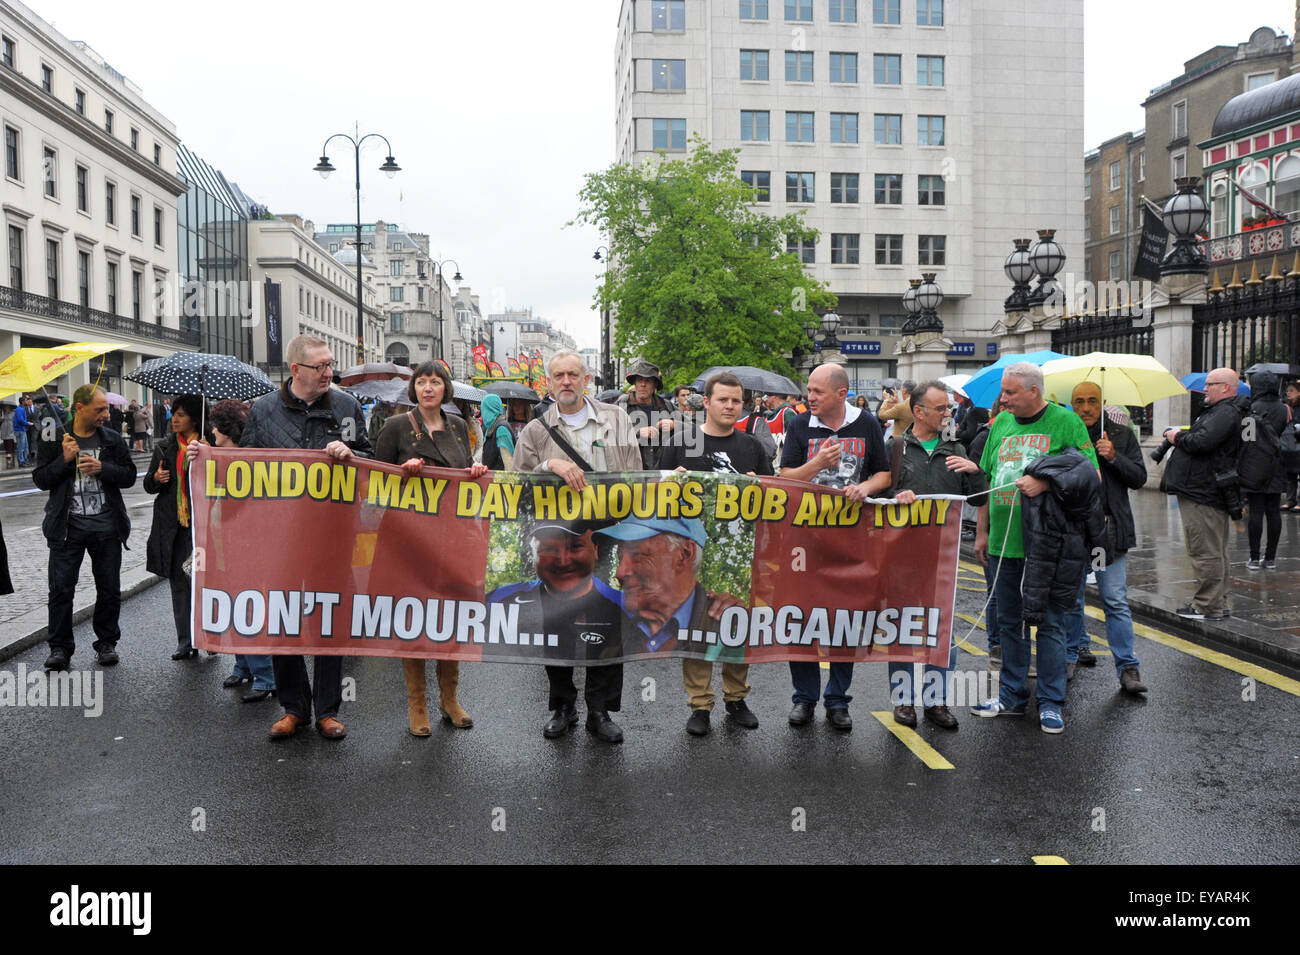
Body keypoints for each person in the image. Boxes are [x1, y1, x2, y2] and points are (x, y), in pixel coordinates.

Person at [241, 334, 372, 741]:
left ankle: (328, 711)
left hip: (332, 534)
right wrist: (203, 459)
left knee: (329, 618)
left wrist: (351, 455)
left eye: (331, 365)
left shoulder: (346, 406)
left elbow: (370, 458)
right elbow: (242, 468)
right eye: (320, 367)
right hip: (281, 538)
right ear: (296, 370)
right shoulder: (263, 410)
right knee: (282, 618)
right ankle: (293, 707)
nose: (329, 373)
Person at [514, 349, 642, 743]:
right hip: (557, 536)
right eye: (558, 376)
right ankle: (562, 706)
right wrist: (548, 465)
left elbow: (635, 472)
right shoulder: (535, 430)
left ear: (586, 380)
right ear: (549, 384)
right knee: (557, 621)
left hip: (608, 532)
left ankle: (600, 710)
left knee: (608, 620)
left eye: (573, 374)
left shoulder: (616, 418)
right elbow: (516, 483)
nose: (566, 381)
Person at [972, 363, 1099, 734]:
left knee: (1051, 624)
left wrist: (1045, 483)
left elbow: (1090, 475)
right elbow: (987, 480)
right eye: (1003, 392)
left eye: (1010, 393)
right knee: (1009, 623)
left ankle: (1051, 701)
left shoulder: (1064, 422)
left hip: (1048, 544)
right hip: (1003, 542)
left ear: (1033, 391)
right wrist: (981, 533)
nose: (1004, 399)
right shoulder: (1000, 425)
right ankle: (1012, 695)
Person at [375, 361, 488, 736]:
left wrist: (474, 471)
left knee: (450, 620)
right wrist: (400, 470)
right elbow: (375, 479)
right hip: (409, 541)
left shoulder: (458, 426)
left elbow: (465, 472)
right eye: (421, 382)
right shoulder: (395, 427)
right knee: (414, 620)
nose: (427, 388)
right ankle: (417, 702)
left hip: (452, 539)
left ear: (445, 389)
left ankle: (450, 699)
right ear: (414, 389)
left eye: (435, 382)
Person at [658, 372, 771, 735]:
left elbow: (772, 496)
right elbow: (652, 494)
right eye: (722, 399)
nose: (729, 406)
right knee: (696, 630)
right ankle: (699, 704)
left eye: (735, 401)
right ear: (705, 402)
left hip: (739, 553)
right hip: (691, 556)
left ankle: (736, 698)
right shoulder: (680, 443)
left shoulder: (753, 446)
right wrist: (667, 481)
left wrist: (760, 486)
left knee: (736, 628)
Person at [780, 362, 890, 730]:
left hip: (852, 539)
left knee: (847, 619)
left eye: (817, 391)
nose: (809, 397)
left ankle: (838, 700)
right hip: (805, 540)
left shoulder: (867, 423)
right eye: (808, 390)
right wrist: (815, 464)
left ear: (840, 394)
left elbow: (883, 473)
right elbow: (784, 478)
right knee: (803, 619)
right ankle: (804, 698)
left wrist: (866, 488)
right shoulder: (798, 425)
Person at [887, 382, 988, 730]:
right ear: (919, 412)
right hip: (901, 556)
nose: (949, 413)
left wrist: (976, 473)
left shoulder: (957, 448)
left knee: (943, 630)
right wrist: (897, 494)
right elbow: (880, 493)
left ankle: (936, 701)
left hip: (943, 558)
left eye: (948, 407)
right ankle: (903, 701)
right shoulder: (896, 447)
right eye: (941, 408)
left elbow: (975, 501)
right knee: (901, 629)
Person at [33, 385, 137, 671]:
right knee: (61, 590)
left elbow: (129, 476)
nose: (106, 414)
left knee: (109, 589)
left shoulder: (112, 439)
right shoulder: (53, 436)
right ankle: (60, 649)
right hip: (67, 528)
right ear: (79, 408)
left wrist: (103, 469)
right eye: (99, 409)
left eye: (106, 408)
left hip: (106, 527)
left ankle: (106, 643)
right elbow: (41, 479)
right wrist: (65, 461)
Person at [185, 400, 277, 702]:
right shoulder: (216, 456)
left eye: (215, 425)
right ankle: (243, 664)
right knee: (230, 601)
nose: (211, 431)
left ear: (227, 428)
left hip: (246, 544)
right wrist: (197, 456)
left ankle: (265, 676)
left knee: (249, 606)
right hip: (221, 540)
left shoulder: (250, 458)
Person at [1065, 382, 1148, 695]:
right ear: (1071, 404)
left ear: (1103, 403)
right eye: (1079, 401)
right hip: (1073, 532)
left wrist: (1113, 457)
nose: (1086, 408)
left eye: (1093, 401)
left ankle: (1128, 667)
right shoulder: (1063, 434)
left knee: (1114, 600)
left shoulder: (1120, 434)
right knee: (1072, 600)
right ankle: (1068, 658)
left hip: (1110, 531)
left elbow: (1139, 478)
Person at [1158, 367, 1252, 619]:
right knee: (1214, 550)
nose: (1205, 389)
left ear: (1226, 388)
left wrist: (1177, 437)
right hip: (1204, 489)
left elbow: (1202, 442)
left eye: (1211, 384)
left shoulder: (1225, 413)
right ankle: (1218, 602)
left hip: (1203, 491)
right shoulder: (1222, 412)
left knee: (1205, 550)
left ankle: (1206, 605)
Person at [144, 394, 210, 662]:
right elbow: (149, 486)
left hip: (202, 526)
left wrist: (210, 455)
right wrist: (157, 479)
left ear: (194, 417)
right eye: (174, 413)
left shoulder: (210, 443)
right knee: (179, 584)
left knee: (204, 582)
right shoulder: (165, 446)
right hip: (174, 526)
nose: (174, 419)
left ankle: (209, 636)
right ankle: (186, 642)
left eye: (181, 414)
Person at [1242, 371, 1287, 569]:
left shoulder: (1251, 409)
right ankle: (1270, 558)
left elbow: (1247, 439)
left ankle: (1253, 557)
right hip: (1278, 464)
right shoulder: (1285, 408)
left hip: (1255, 466)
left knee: (1256, 512)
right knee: (1274, 512)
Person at [616, 358, 675, 469]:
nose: (643, 384)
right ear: (635, 384)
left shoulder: (666, 406)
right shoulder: (621, 406)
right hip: (631, 475)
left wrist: (674, 424)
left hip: (662, 474)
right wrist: (637, 433)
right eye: (639, 380)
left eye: (648, 381)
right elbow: (607, 436)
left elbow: (694, 428)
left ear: (654, 385)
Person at [478, 393, 515, 470]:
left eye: (485, 409)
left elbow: (509, 463)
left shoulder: (501, 429)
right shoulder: (490, 428)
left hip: (500, 480)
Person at [1284, 380, 1300, 511]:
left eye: (1291, 391)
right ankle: (1290, 500)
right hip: (1290, 443)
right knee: (1291, 474)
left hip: (1298, 441)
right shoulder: (1287, 407)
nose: (1288, 393)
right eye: (1288, 390)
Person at [13, 399, 29, 467]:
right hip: (19, 430)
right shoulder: (19, 409)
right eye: (26, 400)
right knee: (21, 447)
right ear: (22, 402)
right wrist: (28, 423)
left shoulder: (21, 408)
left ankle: (24, 460)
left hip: (22, 430)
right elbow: (20, 420)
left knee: (25, 447)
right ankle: (21, 462)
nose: (27, 402)